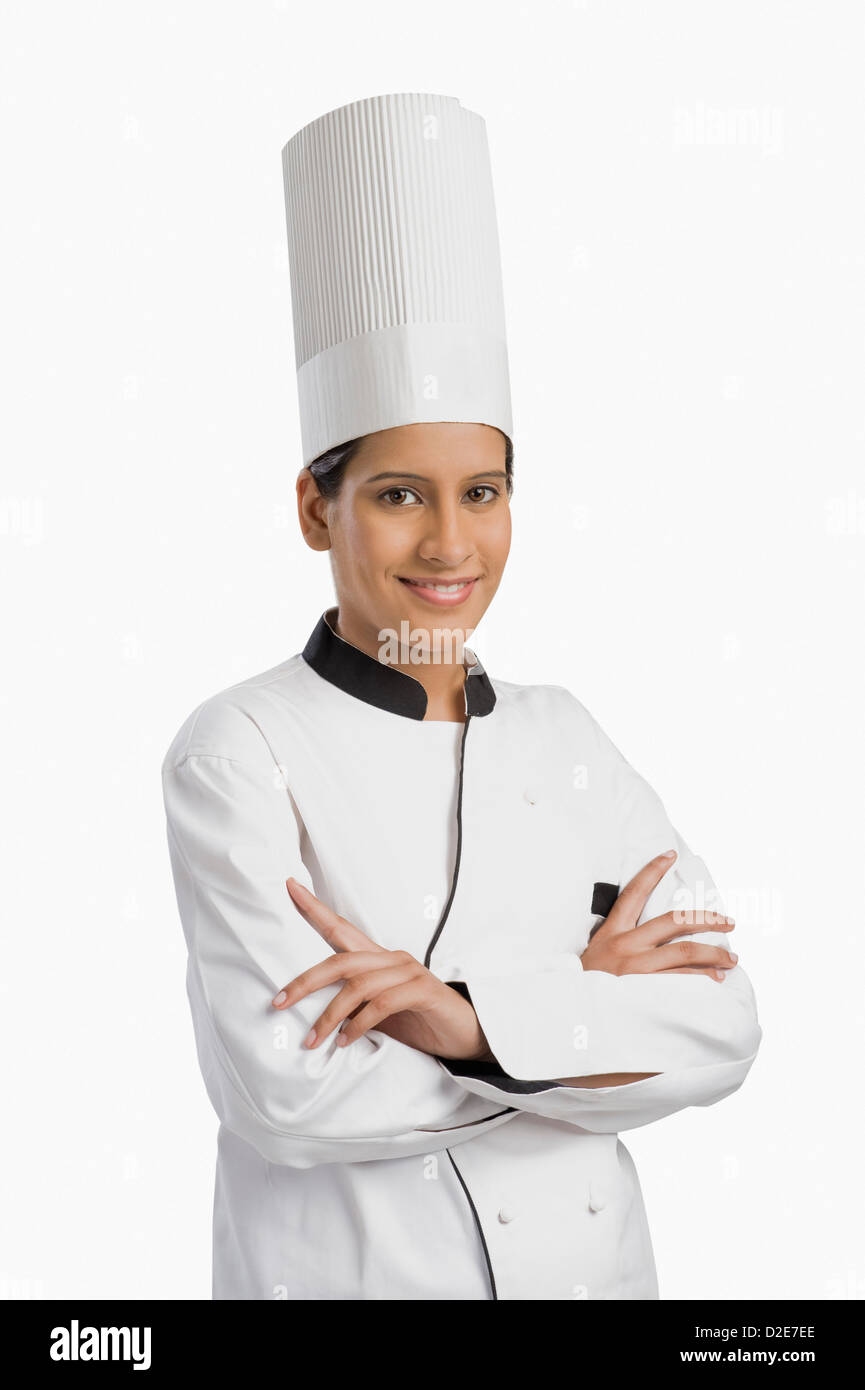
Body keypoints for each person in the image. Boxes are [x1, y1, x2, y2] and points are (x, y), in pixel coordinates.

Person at [161, 94, 761, 1301]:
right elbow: (294, 1093)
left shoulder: (567, 734)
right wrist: (576, 1019)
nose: (449, 543)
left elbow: (724, 1026)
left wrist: (457, 1017)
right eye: (397, 494)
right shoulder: (238, 751)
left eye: (482, 491)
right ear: (313, 507)